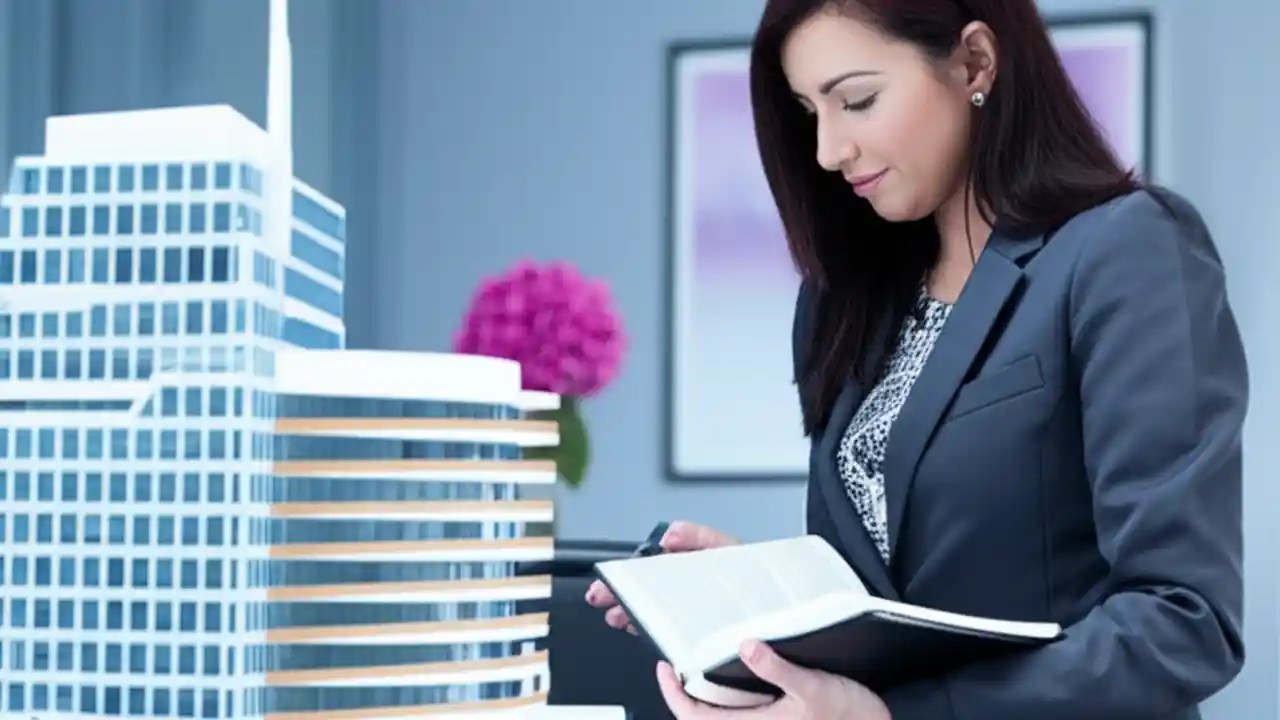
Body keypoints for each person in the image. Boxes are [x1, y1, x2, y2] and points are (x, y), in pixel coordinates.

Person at [587, 0, 1249, 718]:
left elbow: (1186, 622)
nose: (827, 150)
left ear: (974, 63)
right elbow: (890, 605)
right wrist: (756, 597)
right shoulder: (843, 302)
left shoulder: (1125, 251)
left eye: (858, 100)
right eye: (810, 111)